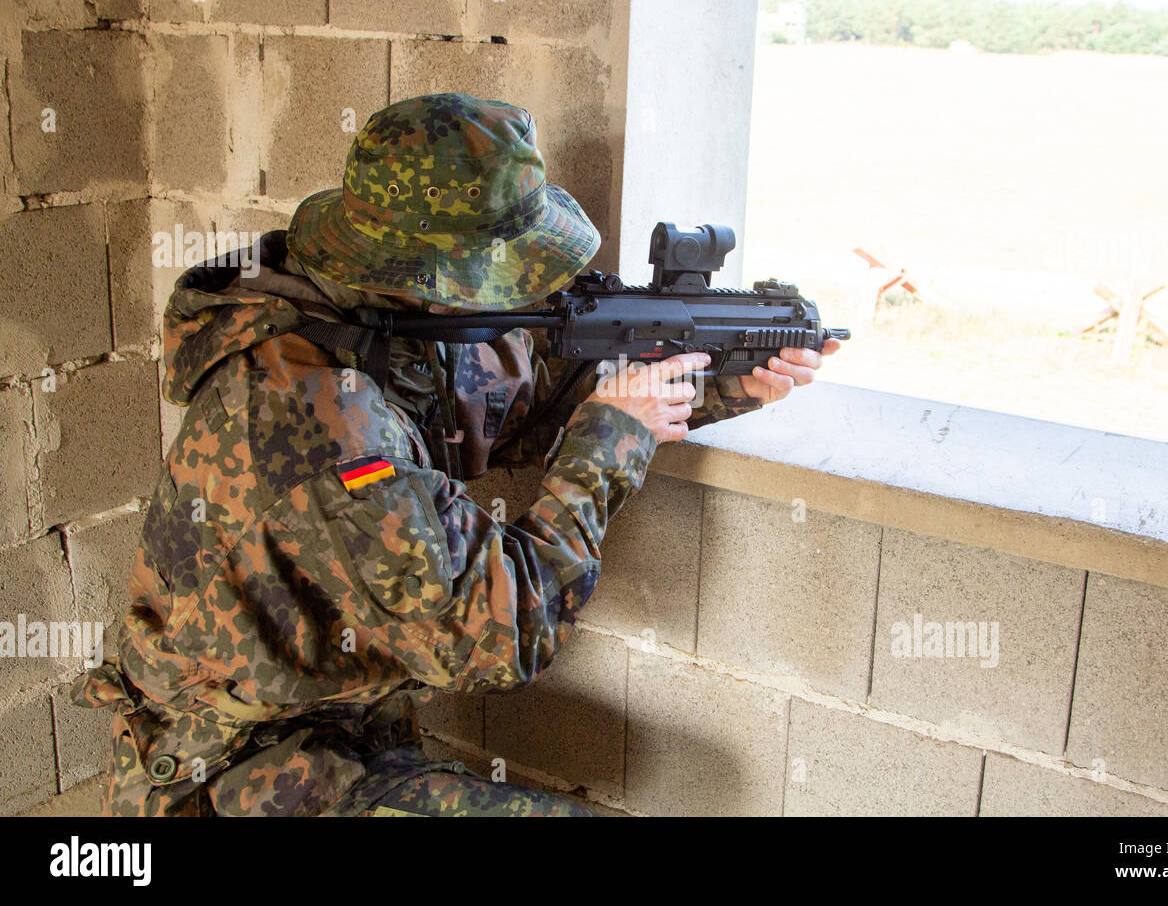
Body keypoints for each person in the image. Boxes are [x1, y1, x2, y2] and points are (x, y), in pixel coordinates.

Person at [70, 93, 841, 816]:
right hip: (230, 767)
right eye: (508, 270)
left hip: (339, 726)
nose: (526, 288)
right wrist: (614, 441)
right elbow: (498, 639)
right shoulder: (320, 420)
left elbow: (531, 396)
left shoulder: (382, 323)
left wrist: (722, 378)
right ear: (432, 275)